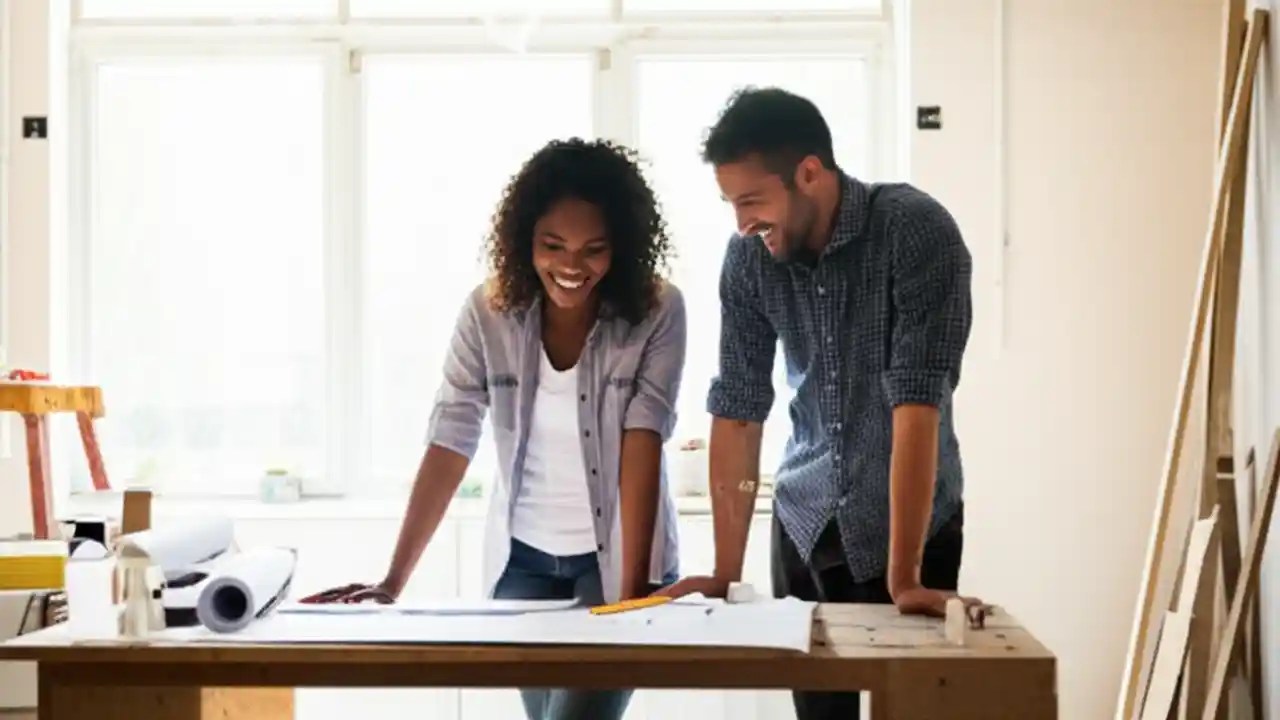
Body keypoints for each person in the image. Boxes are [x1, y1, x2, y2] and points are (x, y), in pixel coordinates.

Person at [302, 137, 686, 720]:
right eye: (553, 246)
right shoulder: (488, 313)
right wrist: (392, 580)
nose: (571, 266)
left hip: (616, 567)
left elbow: (644, 438)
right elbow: (451, 436)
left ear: (623, 247)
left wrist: (631, 595)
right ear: (524, 241)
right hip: (523, 564)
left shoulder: (657, 310)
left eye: (594, 249)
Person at [654, 87, 986, 719]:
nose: (742, 224)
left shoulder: (915, 230)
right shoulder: (748, 260)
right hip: (805, 528)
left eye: (751, 201)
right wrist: (726, 570)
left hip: (911, 529)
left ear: (809, 172)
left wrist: (905, 579)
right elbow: (739, 407)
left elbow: (918, 401)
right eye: (731, 204)